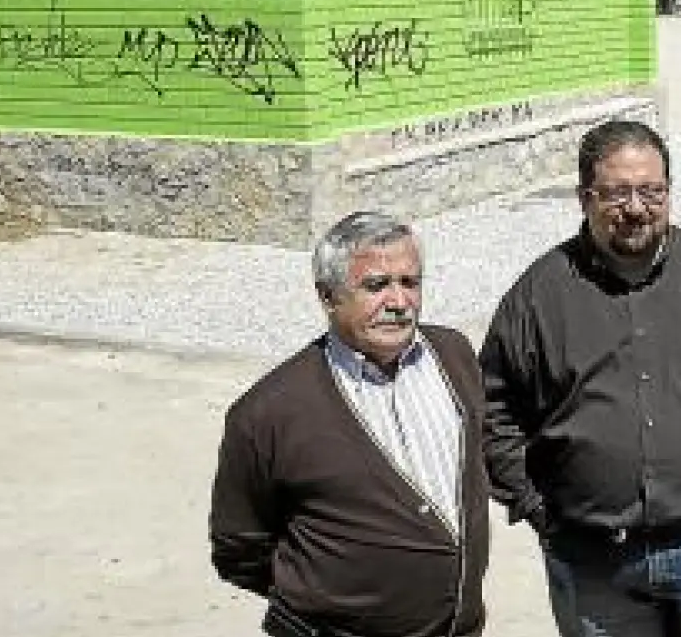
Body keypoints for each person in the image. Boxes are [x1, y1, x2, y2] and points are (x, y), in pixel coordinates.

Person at [480, 119, 681, 637]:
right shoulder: (539, 294)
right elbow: (491, 410)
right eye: (616, 193)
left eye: (651, 191)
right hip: (594, 560)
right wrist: (535, 505)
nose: (635, 208)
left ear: (669, 191)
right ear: (584, 198)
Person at [209, 212, 490, 637]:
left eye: (410, 282)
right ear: (328, 296)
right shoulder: (269, 412)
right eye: (376, 286)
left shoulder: (453, 355)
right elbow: (240, 548)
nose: (399, 302)